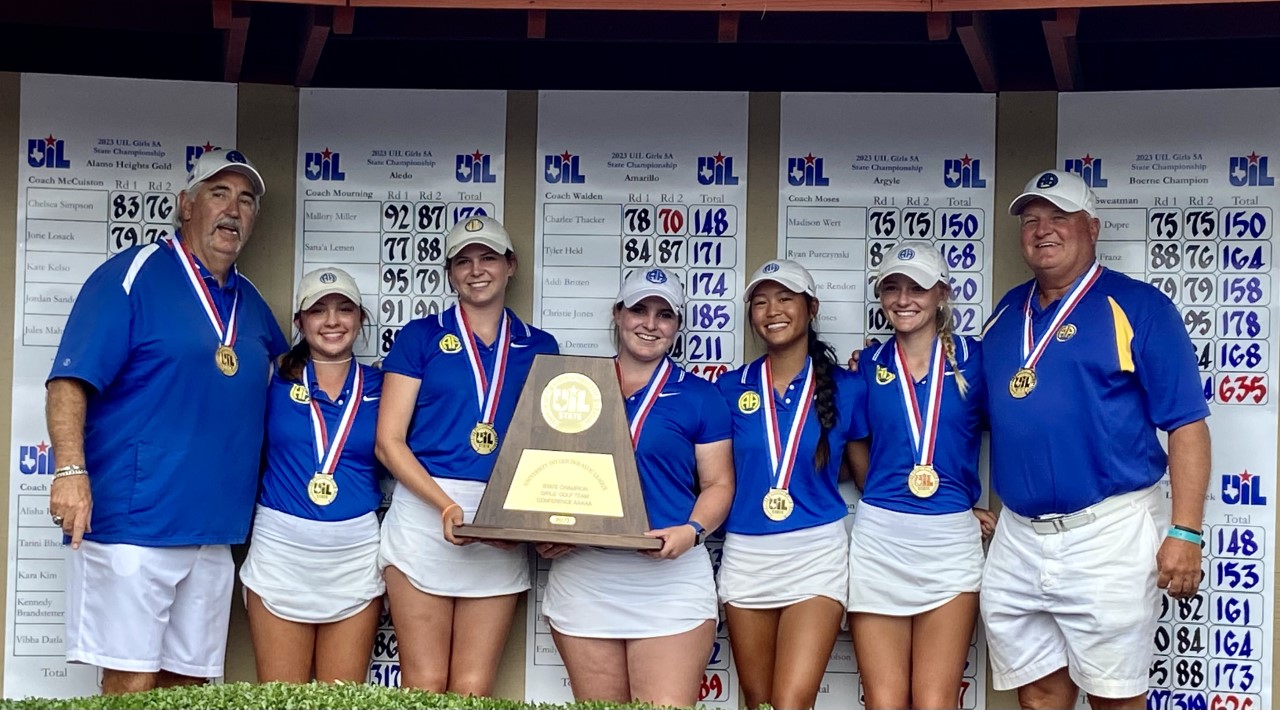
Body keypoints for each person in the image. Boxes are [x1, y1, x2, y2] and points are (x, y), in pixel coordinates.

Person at [45, 149, 287, 694]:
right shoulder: (132, 275)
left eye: (246, 200)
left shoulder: (249, 302)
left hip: (214, 530)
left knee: (190, 687)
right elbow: (69, 381)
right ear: (187, 205)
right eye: (219, 194)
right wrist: (69, 471)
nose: (233, 210)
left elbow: (288, 384)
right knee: (131, 681)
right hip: (135, 524)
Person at [981, 170, 1211, 710]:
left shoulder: (1139, 306)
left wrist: (1186, 531)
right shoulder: (1005, 313)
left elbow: (1186, 424)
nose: (1042, 230)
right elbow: (972, 414)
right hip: (1018, 535)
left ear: (1092, 227)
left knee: (1115, 697)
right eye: (1031, 220)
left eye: (1059, 217)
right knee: (1038, 697)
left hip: (1108, 531)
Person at [375, 215, 559, 695]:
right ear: (451, 273)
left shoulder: (541, 346)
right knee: (425, 681)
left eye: (488, 258)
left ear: (510, 265)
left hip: (499, 521)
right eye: (463, 261)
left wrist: (524, 522)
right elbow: (388, 442)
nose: (477, 270)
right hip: (425, 515)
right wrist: (445, 506)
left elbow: (550, 449)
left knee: (474, 687)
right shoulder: (420, 336)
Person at [536, 268, 735, 707]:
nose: (650, 323)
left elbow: (719, 483)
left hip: (669, 580)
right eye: (639, 310)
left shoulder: (700, 396)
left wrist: (693, 531)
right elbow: (543, 471)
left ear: (677, 326)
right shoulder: (575, 385)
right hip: (586, 574)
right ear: (618, 315)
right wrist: (543, 528)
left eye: (664, 315)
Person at [715, 259, 868, 710]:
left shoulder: (848, 387)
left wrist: (960, 507)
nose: (772, 311)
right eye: (760, 302)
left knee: (791, 701)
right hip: (747, 555)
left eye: (785, 298)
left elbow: (867, 475)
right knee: (759, 702)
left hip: (815, 554)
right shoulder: (728, 388)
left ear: (811, 307)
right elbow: (711, 476)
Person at [845, 241, 990, 709]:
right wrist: (888, 489)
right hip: (881, 539)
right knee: (884, 701)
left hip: (949, 542)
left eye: (917, 288)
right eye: (892, 288)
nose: (903, 299)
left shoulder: (977, 359)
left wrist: (969, 502)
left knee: (934, 700)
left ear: (941, 293)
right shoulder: (867, 366)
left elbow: (1017, 433)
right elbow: (858, 448)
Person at [239, 267, 384, 683]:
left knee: (341, 701)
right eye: (318, 311)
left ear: (360, 319)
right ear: (300, 322)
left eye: (344, 309)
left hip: (354, 555)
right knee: (280, 699)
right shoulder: (271, 377)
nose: (332, 321)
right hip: (281, 553)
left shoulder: (384, 384)